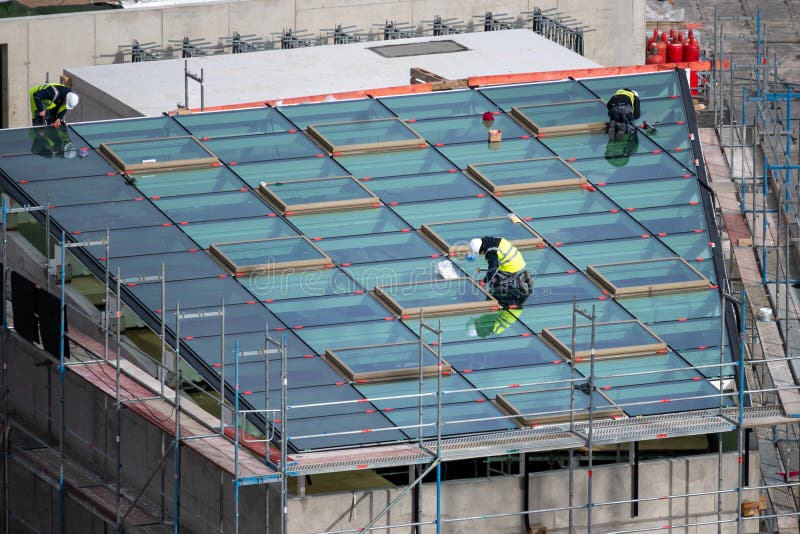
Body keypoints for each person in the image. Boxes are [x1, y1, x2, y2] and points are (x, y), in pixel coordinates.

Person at [466, 236, 533, 301]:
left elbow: (493, 268)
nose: (481, 254)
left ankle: (520, 280)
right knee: (498, 279)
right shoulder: (494, 240)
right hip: (518, 260)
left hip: (511, 266)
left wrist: (484, 281)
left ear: (482, 249)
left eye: (480, 252)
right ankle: (518, 277)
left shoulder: (491, 253)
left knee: (495, 284)